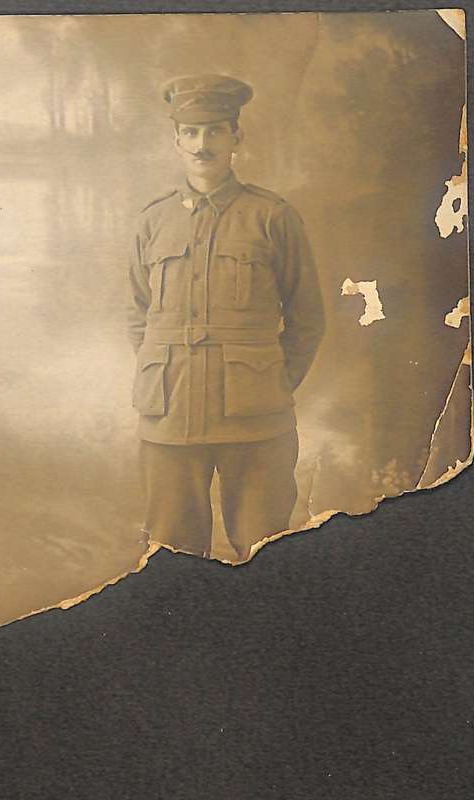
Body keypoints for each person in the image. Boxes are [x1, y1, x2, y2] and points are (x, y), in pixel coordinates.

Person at [128, 74, 325, 562]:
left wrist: (271, 382)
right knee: (171, 556)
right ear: (176, 140)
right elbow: (138, 314)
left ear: (237, 137)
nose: (202, 145)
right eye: (191, 133)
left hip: (256, 423)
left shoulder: (272, 216)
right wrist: (164, 372)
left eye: (215, 131)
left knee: (266, 551)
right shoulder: (152, 221)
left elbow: (307, 317)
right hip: (170, 418)